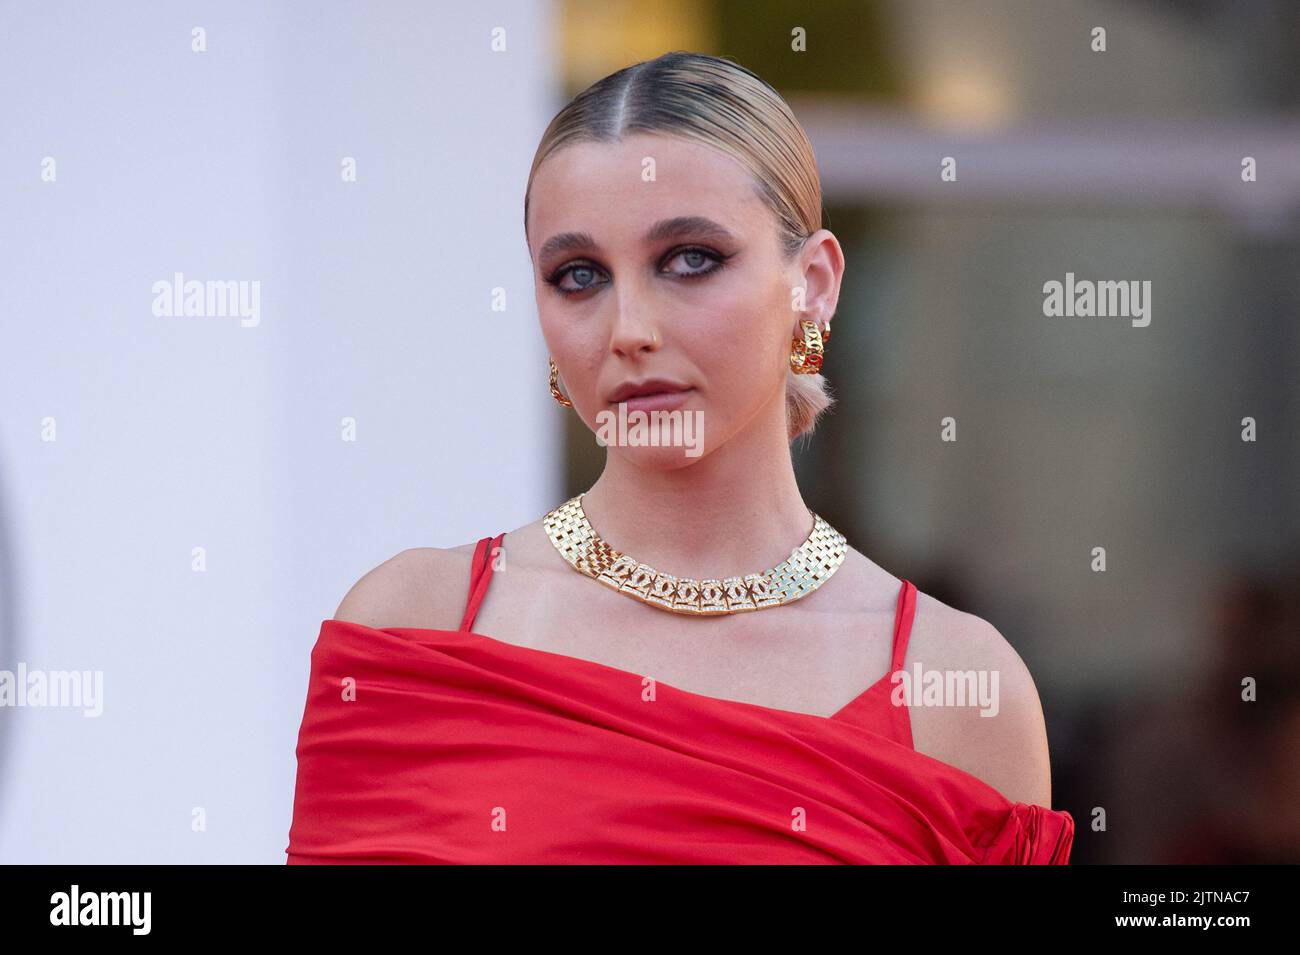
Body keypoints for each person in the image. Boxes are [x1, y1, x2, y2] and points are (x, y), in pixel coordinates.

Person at [285, 51, 1073, 864]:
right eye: (579, 274)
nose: (630, 328)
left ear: (814, 283)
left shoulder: (958, 686)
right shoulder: (414, 626)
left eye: (690, 259)